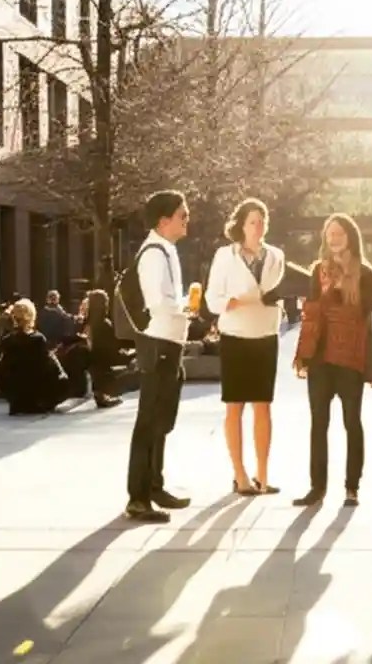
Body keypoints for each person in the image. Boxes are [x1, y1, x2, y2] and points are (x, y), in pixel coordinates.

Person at [292, 214, 372, 508]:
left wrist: (340, 286)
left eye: (339, 233)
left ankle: (352, 487)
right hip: (320, 357)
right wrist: (303, 354)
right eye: (329, 234)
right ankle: (317, 488)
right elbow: (314, 312)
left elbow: (363, 314)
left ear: (351, 236)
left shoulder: (366, 274)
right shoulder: (318, 271)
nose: (334, 238)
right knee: (319, 423)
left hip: (350, 358)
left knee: (351, 422)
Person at [205, 198, 287, 497]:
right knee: (235, 406)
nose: (259, 226)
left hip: (266, 334)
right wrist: (236, 301)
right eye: (253, 221)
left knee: (263, 406)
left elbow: (279, 291)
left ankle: (262, 476)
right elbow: (212, 299)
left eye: (263, 220)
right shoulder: (225, 256)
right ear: (241, 225)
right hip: (236, 336)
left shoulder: (276, 255)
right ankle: (239, 475)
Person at [125, 190, 194, 523]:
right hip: (159, 344)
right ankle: (138, 498)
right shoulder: (154, 254)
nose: (187, 219)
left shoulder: (167, 250)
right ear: (163, 220)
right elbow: (159, 303)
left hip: (170, 342)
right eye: (182, 214)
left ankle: (154, 486)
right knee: (149, 421)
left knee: (161, 421)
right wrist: (188, 309)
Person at [0, 298, 71, 415]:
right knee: (62, 376)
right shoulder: (38, 339)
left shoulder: (7, 341)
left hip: (17, 397)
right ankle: (43, 401)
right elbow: (50, 368)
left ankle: (18, 402)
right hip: (37, 396)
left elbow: (1, 371)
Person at [83, 289, 126, 409]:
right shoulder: (104, 324)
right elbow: (112, 350)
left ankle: (101, 393)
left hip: (96, 364)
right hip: (105, 362)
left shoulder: (89, 323)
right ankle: (105, 393)